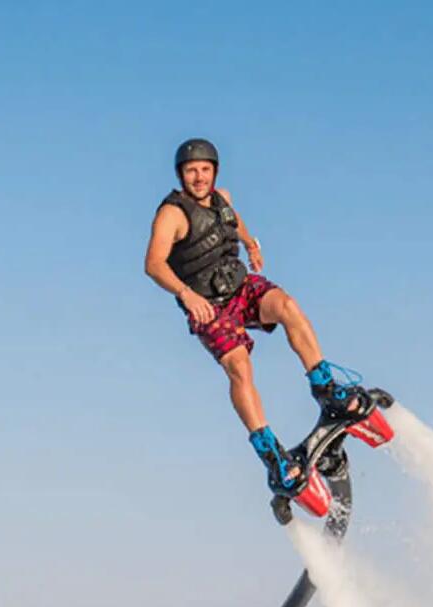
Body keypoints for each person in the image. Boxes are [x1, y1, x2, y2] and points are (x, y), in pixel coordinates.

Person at [145, 138, 376, 497]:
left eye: (205, 169)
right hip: (208, 304)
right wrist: (186, 295)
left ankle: (325, 388)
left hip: (240, 287)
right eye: (192, 171)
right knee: (239, 365)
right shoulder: (172, 214)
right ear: (181, 175)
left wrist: (251, 243)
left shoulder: (223, 197)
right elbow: (153, 264)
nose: (199, 177)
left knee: (286, 306)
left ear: (214, 171)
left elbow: (231, 222)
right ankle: (273, 456)